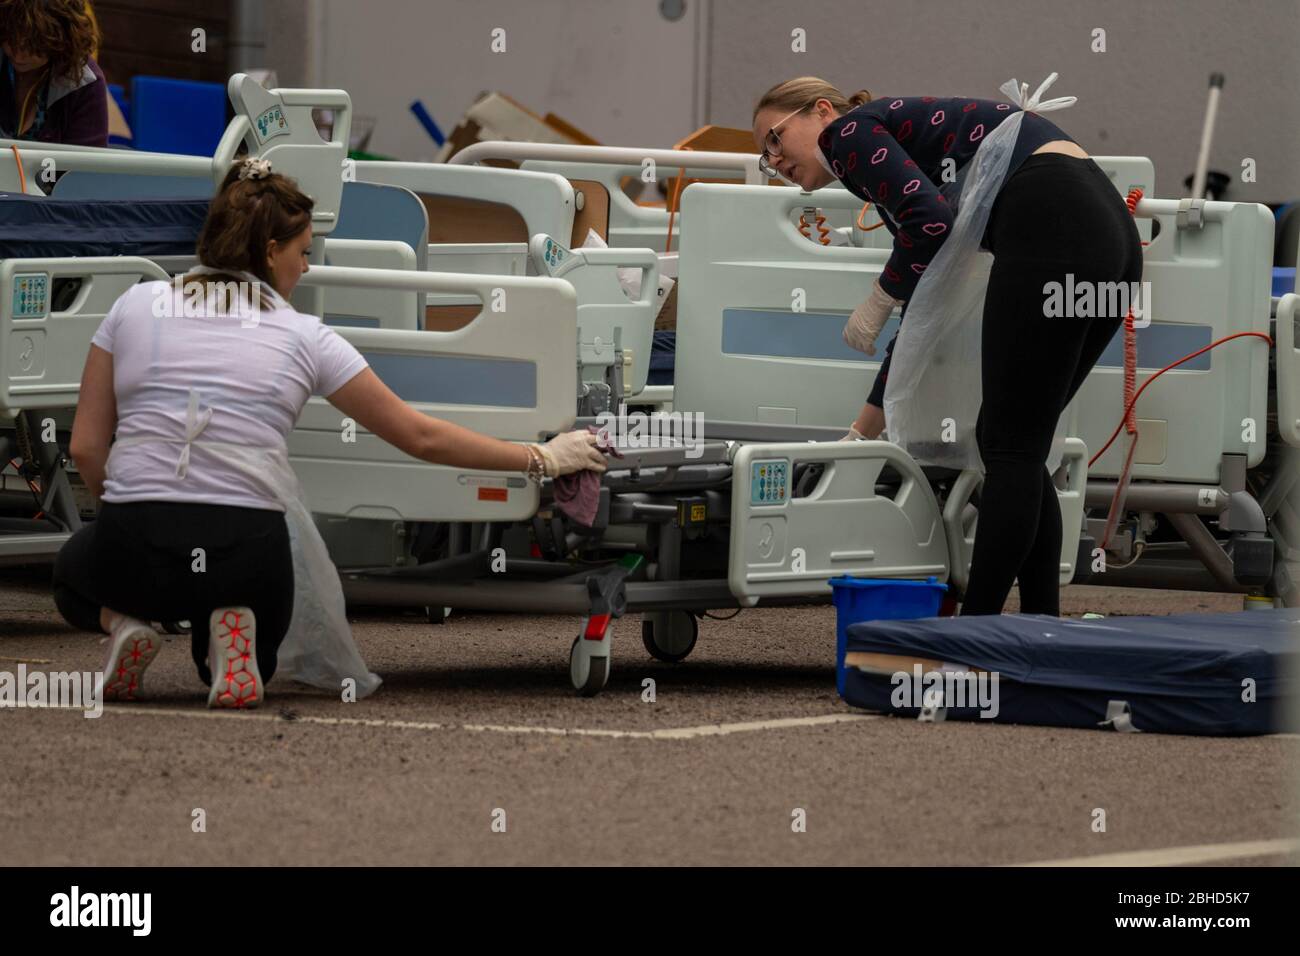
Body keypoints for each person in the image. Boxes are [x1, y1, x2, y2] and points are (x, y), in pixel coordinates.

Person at [54, 157, 607, 708]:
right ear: (271, 253)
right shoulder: (304, 336)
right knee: (245, 625)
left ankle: (125, 624)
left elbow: (84, 445)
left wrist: (137, 515)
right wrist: (543, 457)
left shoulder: (133, 305)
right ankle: (233, 635)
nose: (308, 269)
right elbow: (420, 437)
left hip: (134, 544)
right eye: (304, 254)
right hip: (244, 551)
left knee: (73, 570)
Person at [751, 77, 1142, 616]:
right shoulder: (896, 153)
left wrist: (879, 294)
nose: (773, 160)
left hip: (1056, 222)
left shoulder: (847, 135)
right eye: (762, 156)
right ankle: (1041, 630)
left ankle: (977, 632)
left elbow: (928, 225)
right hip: (1108, 239)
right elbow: (924, 311)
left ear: (820, 111)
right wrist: (862, 431)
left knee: (1008, 447)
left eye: (774, 138)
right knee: (1016, 446)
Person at [0, 0, 107, 147]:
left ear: (62, 37)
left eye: (33, 45)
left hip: (52, 170)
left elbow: (85, 165)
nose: (18, 56)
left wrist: (42, 171)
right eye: (10, 40)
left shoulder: (85, 81)